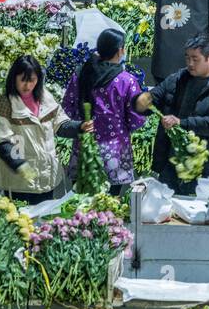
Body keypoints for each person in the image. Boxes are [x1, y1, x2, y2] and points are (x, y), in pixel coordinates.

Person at [0, 55, 94, 203]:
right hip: (19, 183)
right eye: (23, 80)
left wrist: (79, 127)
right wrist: (20, 165)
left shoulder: (45, 98)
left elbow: (61, 125)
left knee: (43, 221)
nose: (27, 86)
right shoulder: (5, 103)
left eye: (32, 80)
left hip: (47, 178)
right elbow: (1, 142)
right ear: (14, 79)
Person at [63, 28, 154, 194]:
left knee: (81, 206)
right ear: (120, 51)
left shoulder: (81, 73)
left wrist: (82, 124)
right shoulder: (126, 80)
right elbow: (136, 117)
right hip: (115, 152)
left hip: (84, 150)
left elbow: (68, 106)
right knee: (109, 207)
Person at [148, 36, 209, 193]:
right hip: (170, 166)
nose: (190, 63)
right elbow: (156, 96)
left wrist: (183, 123)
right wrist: (142, 101)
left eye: (195, 59)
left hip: (203, 169)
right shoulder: (177, 79)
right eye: (187, 58)